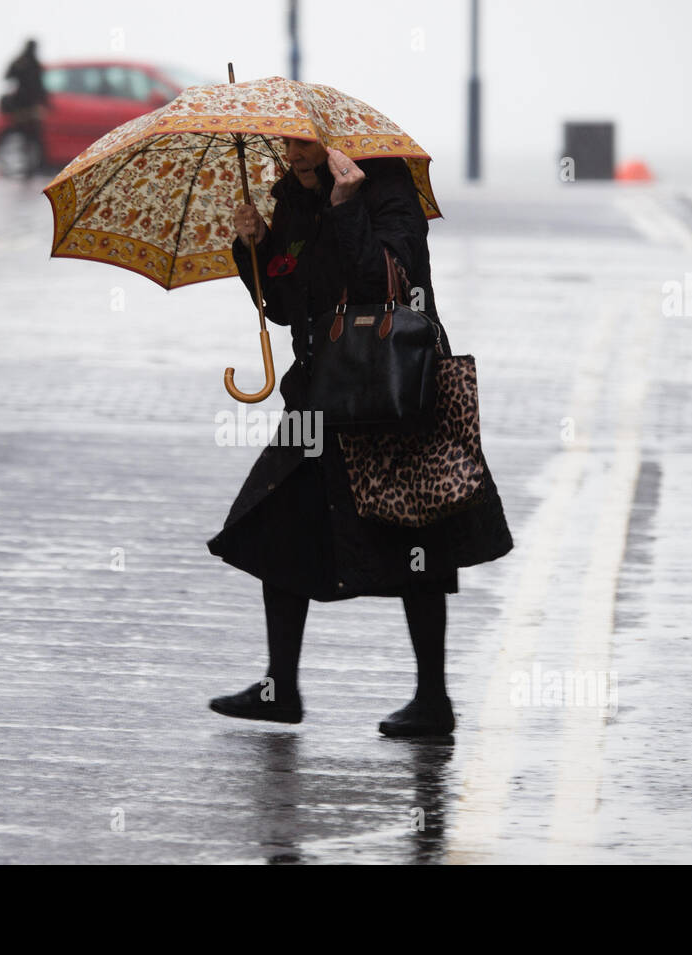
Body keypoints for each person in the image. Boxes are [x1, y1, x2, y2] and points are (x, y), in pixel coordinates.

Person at [207, 137, 513, 739]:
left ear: (329, 143)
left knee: (413, 535)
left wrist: (348, 205)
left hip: (387, 392)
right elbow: (287, 305)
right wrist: (257, 249)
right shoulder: (290, 200)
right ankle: (279, 687)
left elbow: (390, 281)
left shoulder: (386, 188)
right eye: (285, 148)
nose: (291, 158)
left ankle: (432, 700)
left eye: (302, 147)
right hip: (318, 392)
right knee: (278, 522)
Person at [3, 39, 47, 179]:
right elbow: (7, 77)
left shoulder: (29, 63)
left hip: (25, 106)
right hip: (24, 107)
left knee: (31, 138)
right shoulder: (29, 64)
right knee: (28, 137)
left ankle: (30, 167)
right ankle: (28, 167)